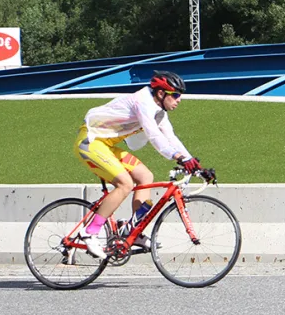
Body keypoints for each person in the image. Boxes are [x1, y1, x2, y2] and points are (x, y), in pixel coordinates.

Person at [72, 70, 203, 259]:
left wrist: (194, 164)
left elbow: (171, 137)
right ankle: (90, 232)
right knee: (125, 184)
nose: (179, 100)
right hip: (90, 142)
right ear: (161, 93)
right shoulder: (143, 102)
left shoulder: (159, 111)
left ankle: (133, 231)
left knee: (145, 176)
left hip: (106, 145)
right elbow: (154, 135)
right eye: (175, 95)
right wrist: (178, 157)